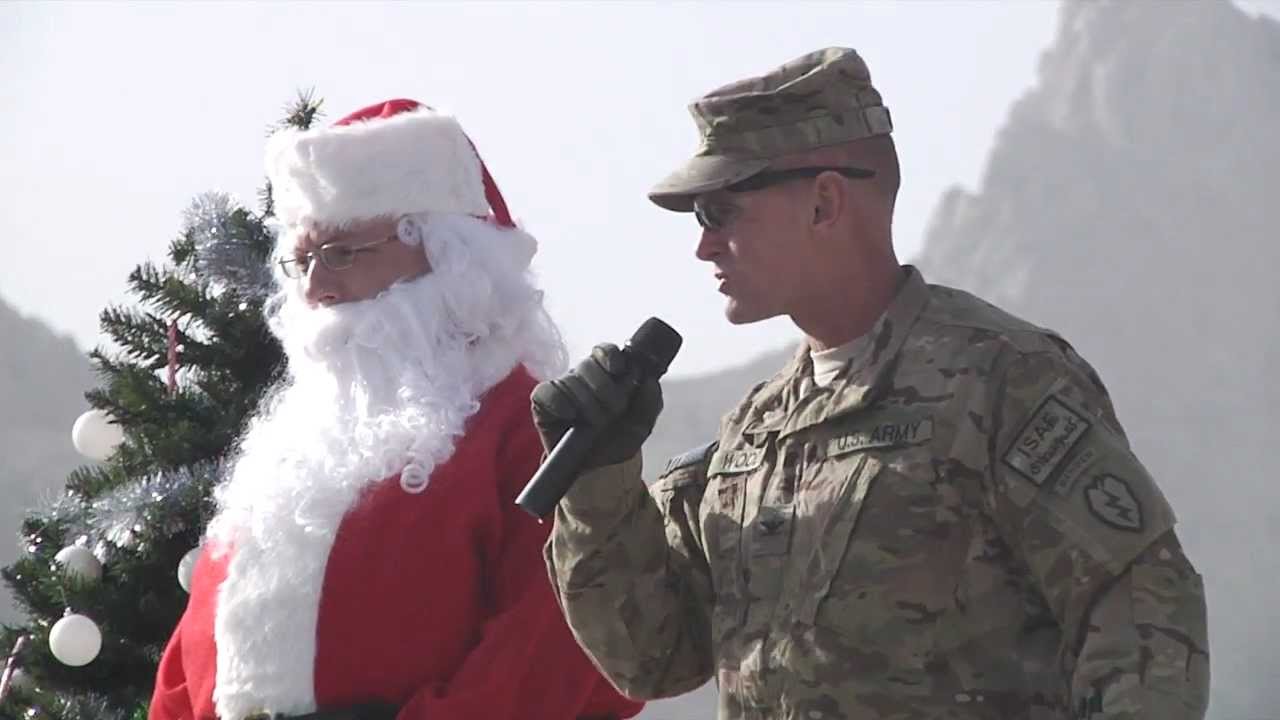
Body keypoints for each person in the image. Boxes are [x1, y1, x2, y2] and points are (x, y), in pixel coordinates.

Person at [533, 48, 1209, 719]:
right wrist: (600, 479)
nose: (703, 247)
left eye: (719, 212)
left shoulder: (999, 380)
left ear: (825, 203)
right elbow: (653, 657)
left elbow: (1140, 599)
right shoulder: (756, 429)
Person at [149, 99, 644, 720]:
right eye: (301, 261)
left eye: (342, 253)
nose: (315, 289)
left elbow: (554, 645)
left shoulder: (528, 426)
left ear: (447, 255)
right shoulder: (294, 443)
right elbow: (191, 657)